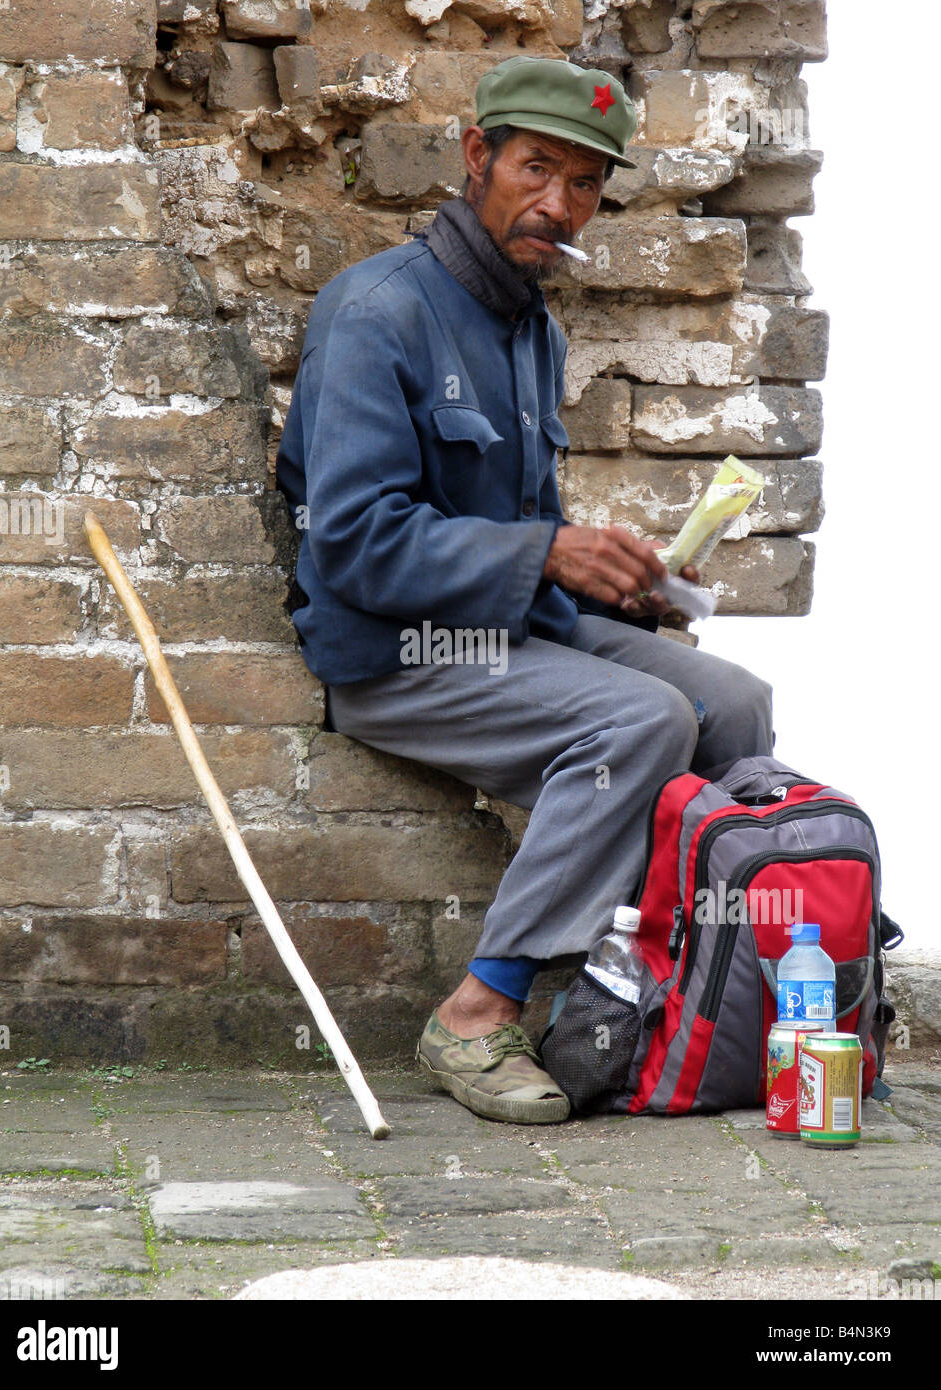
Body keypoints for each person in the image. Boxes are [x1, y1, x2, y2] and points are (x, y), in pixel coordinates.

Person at [275, 56, 773, 1125]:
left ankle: (702, 984)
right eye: (534, 168)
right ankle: (474, 1011)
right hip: (395, 655)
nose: (558, 203)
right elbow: (355, 546)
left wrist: (631, 583)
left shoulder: (532, 329)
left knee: (733, 700)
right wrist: (547, 554)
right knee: (640, 720)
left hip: (512, 631)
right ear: (475, 159)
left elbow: (522, 540)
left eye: (585, 182)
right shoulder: (373, 315)